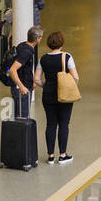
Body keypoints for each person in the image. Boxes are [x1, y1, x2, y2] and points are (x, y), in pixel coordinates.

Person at [35, 31, 78, 164]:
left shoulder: (43, 59)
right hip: (64, 95)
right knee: (64, 124)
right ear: (61, 42)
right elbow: (76, 77)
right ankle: (63, 155)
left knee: (50, 124)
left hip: (48, 95)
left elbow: (36, 79)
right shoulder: (67, 57)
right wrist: (69, 86)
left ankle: (51, 156)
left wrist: (46, 86)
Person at [6, 25, 41, 120]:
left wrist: (33, 81)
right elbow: (13, 70)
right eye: (40, 37)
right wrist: (21, 87)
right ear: (37, 38)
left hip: (20, 85)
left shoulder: (22, 45)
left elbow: (27, 68)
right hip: (22, 88)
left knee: (18, 115)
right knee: (22, 117)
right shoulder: (27, 51)